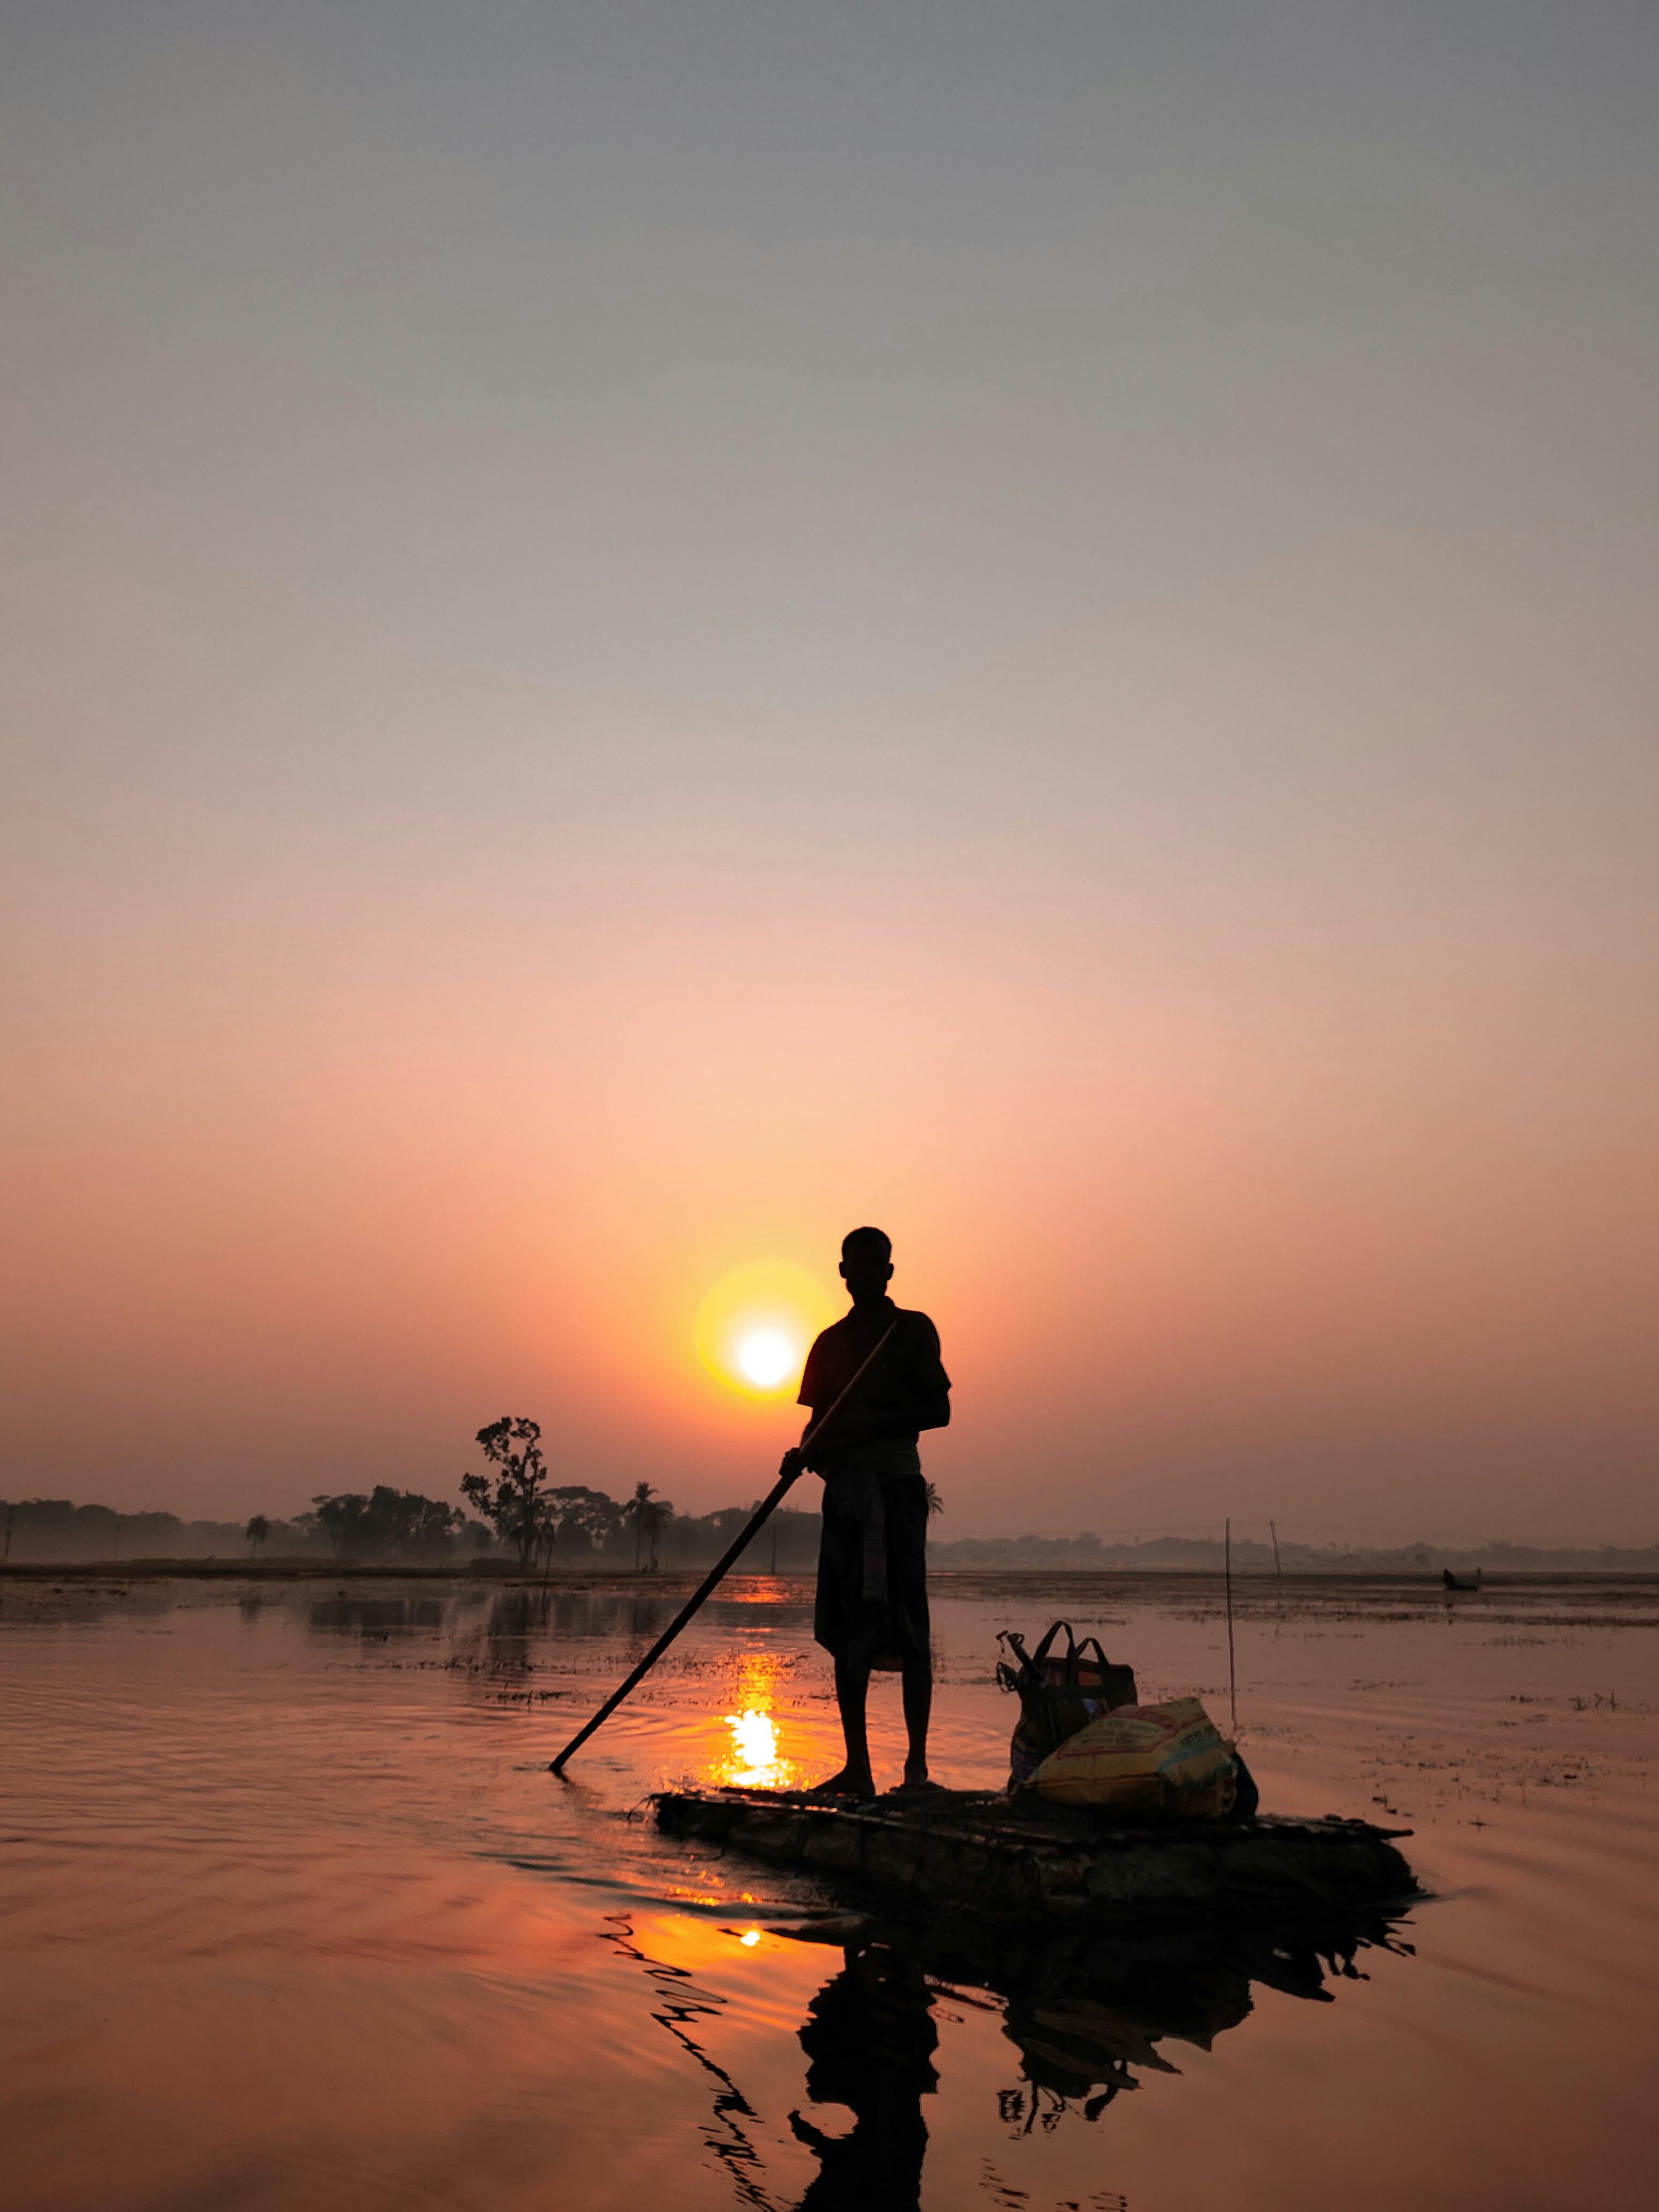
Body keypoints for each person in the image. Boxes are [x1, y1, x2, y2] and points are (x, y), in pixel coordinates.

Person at [780, 1227, 950, 1797]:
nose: (868, 1274)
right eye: (859, 1264)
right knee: (850, 1624)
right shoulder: (828, 1344)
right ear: (843, 1273)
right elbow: (818, 1422)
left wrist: (874, 1421)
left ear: (889, 1272)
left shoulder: (911, 1331)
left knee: (908, 1623)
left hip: (897, 1491)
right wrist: (802, 1453)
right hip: (847, 1496)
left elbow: (938, 1408)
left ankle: (916, 1772)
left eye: (878, 1264)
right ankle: (857, 1768)